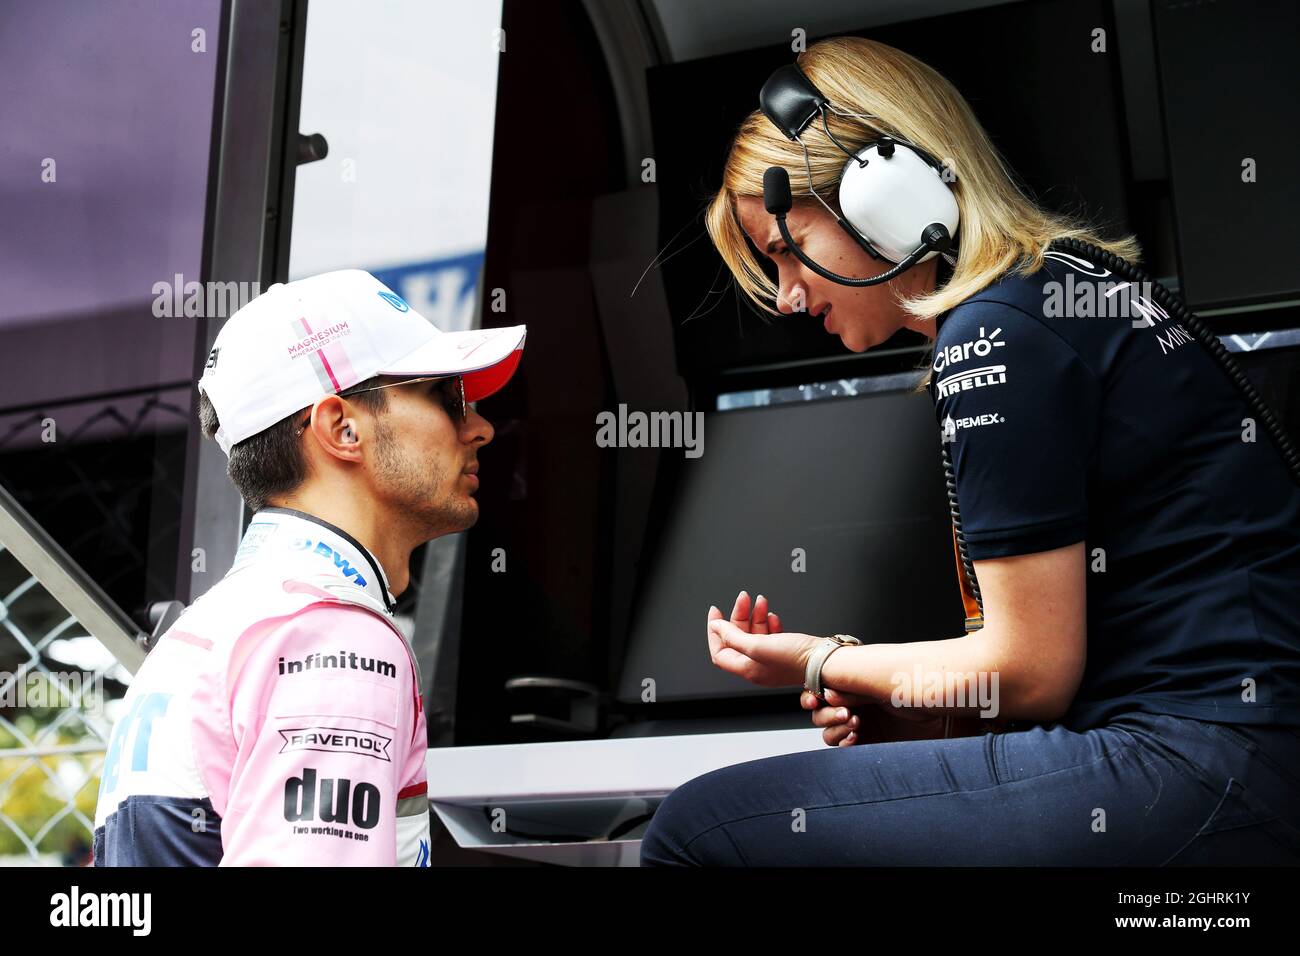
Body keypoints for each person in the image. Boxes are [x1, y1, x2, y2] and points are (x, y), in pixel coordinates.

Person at [640, 36, 1300, 866]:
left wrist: (823, 660)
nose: (787, 295)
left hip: (1199, 766)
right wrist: (903, 711)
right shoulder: (1053, 294)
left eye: (783, 248)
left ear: (877, 190)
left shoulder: (996, 335)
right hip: (1234, 765)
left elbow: (1030, 671)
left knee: (701, 830)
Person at [92, 270, 525, 865]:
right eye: (446, 398)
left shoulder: (216, 626)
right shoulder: (330, 635)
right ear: (341, 428)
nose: (480, 427)